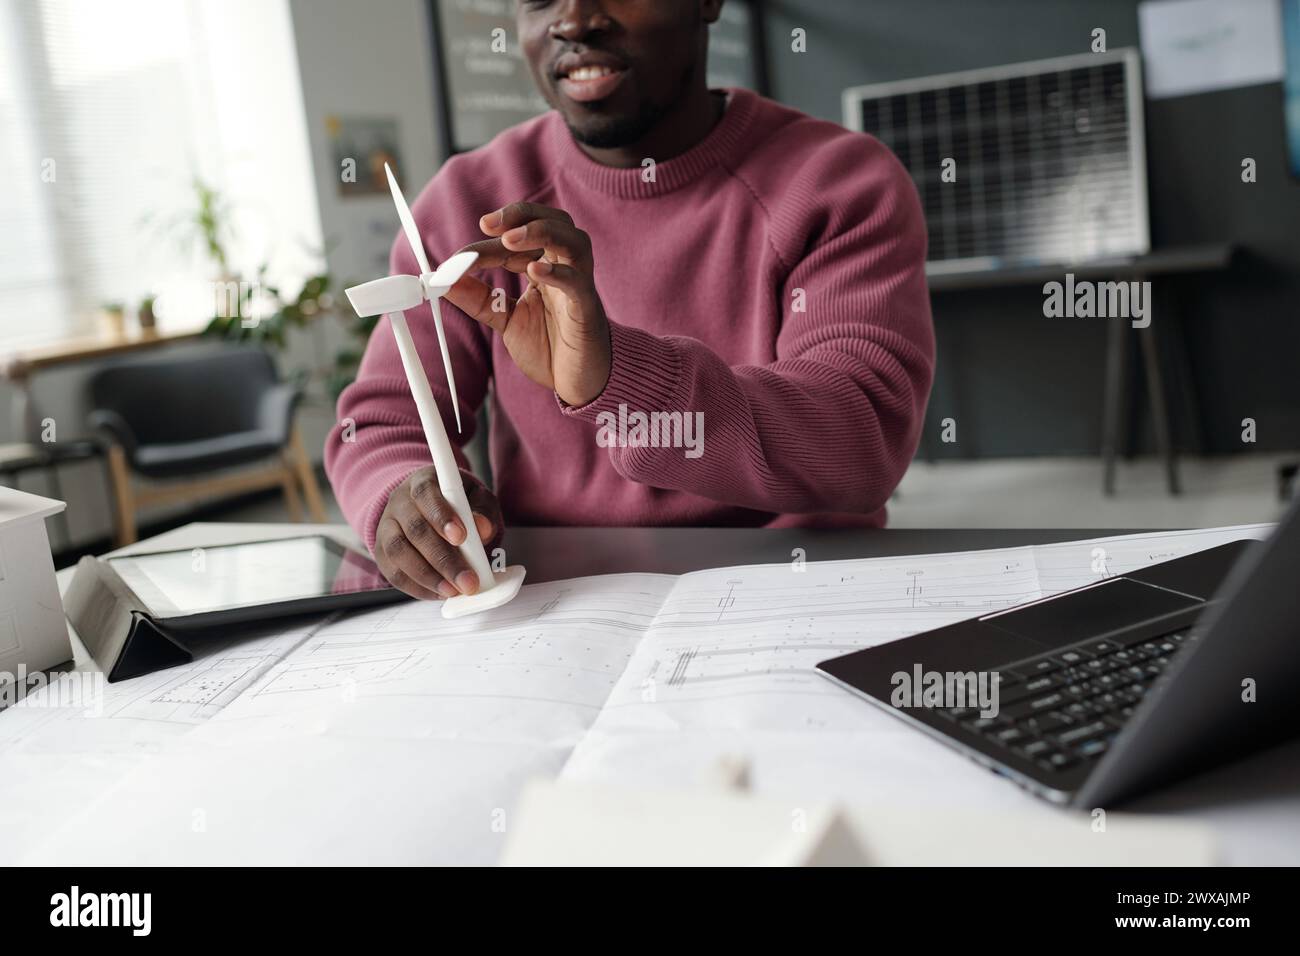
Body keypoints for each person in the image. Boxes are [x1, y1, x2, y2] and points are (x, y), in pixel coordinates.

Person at [325, 0, 935, 600]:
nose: (573, 19)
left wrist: (615, 376)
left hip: (791, 586)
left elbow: (861, 441)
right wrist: (406, 495)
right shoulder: (470, 203)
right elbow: (381, 422)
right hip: (559, 601)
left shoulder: (836, 183)